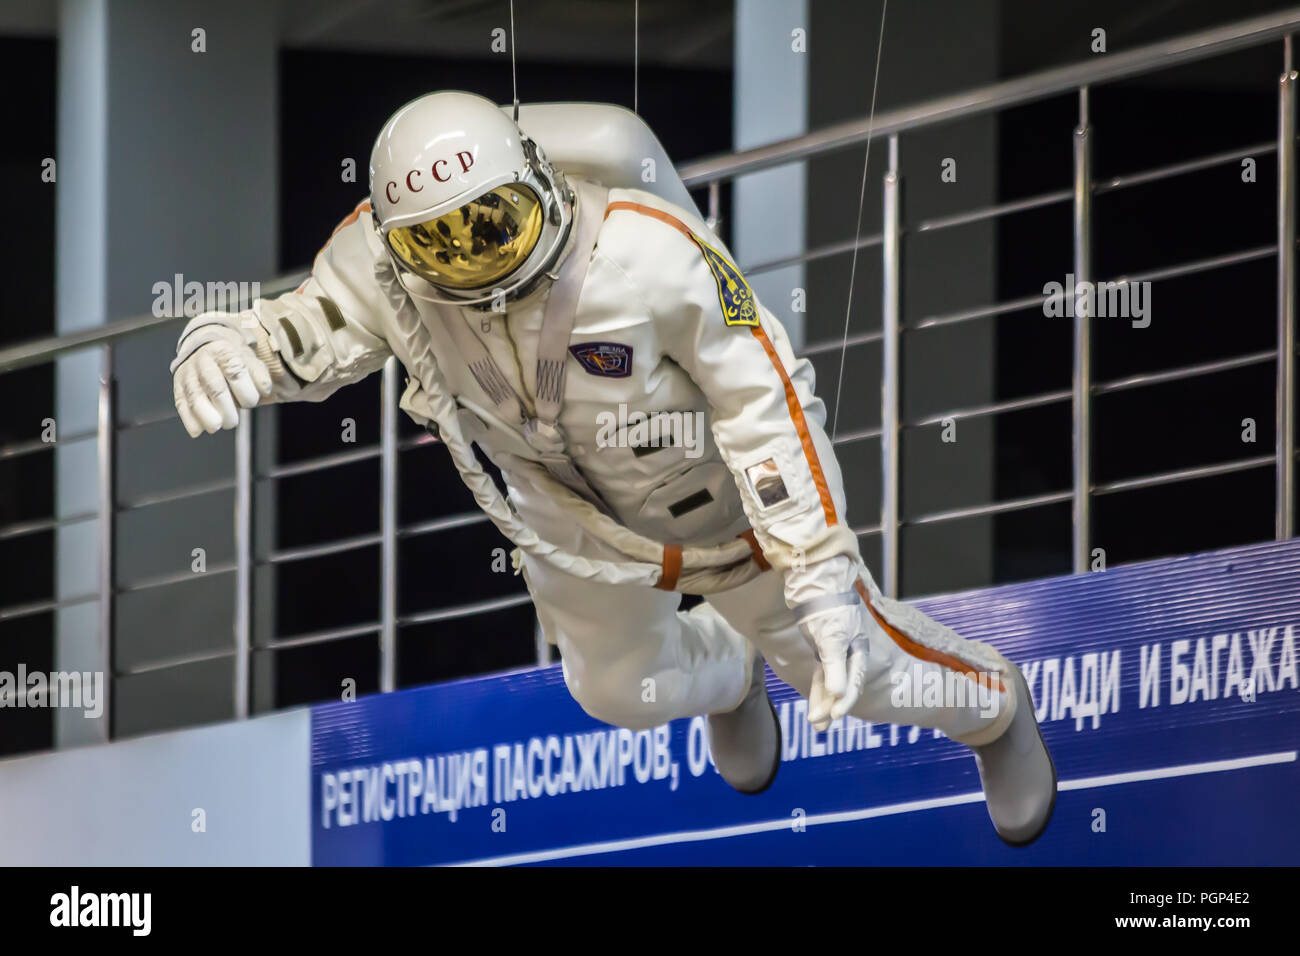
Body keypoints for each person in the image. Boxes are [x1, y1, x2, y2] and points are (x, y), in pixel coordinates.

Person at [171, 91, 1056, 845]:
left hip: (725, 515)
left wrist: (819, 575)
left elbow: (768, 401)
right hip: (568, 516)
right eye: (442, 245)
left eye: (492, 225)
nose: (475, 257)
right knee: (615, 693)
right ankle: (727, 674)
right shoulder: (385, 265)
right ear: (402, 247)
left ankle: (992, 706)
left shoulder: (647, 253)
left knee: (861, 674)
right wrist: (228, 345)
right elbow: (304, 324)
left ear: (538, 183)